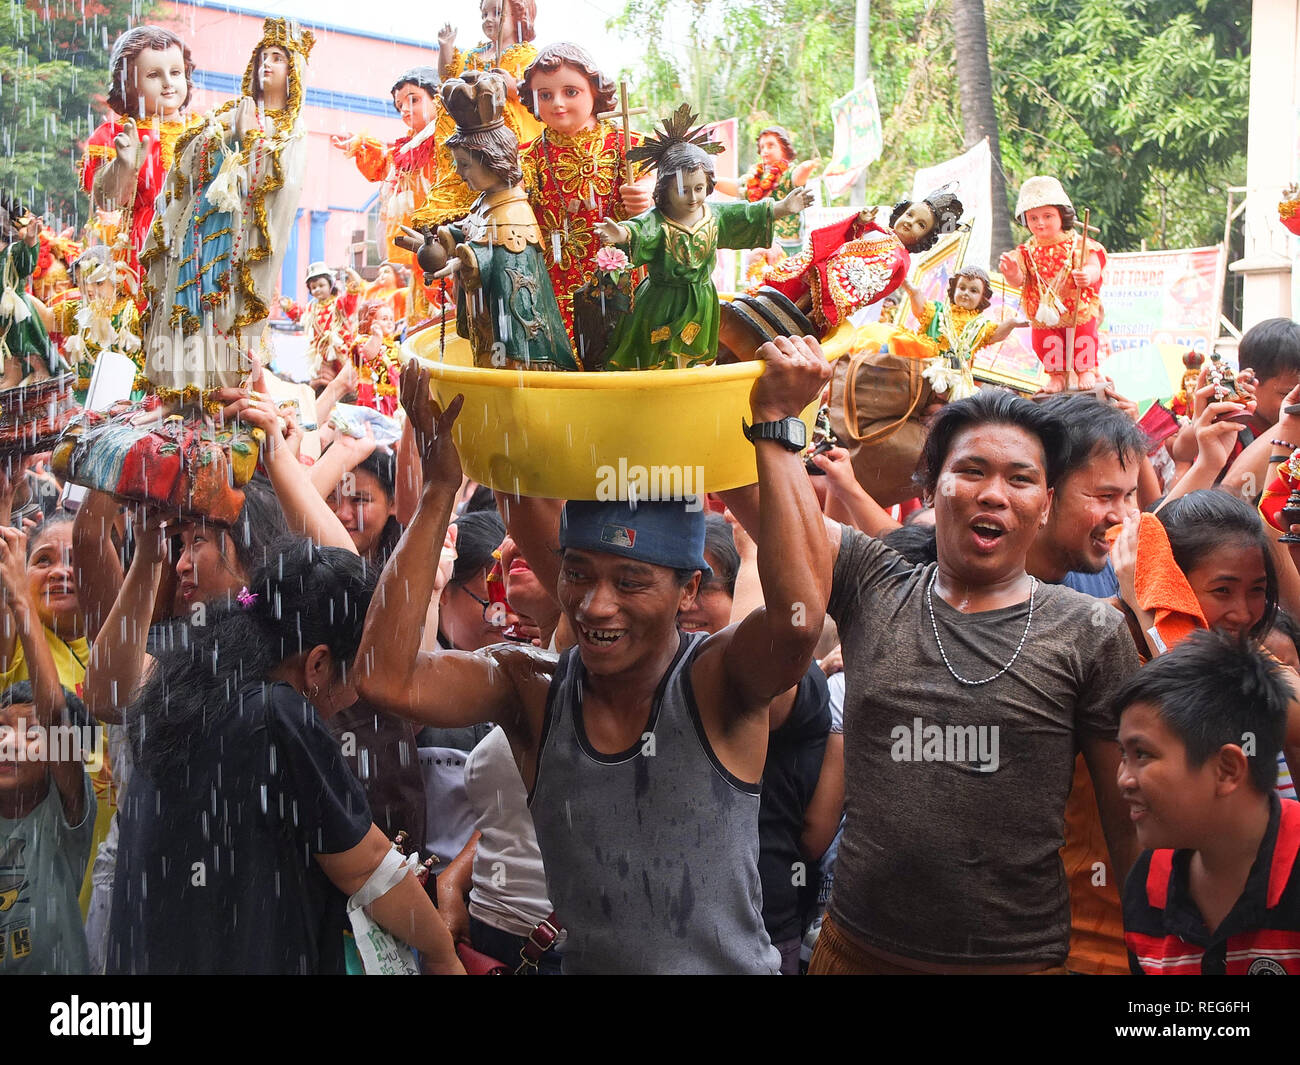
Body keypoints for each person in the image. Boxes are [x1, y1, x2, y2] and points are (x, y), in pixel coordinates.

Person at [357, 335, 832, 973]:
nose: (596, 605)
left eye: (631, 582)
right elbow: (384, 679)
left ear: (689, 589)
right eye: (578, 574)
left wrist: (776, 430)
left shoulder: (717, 679)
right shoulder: (531, 686)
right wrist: (441, 488)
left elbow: (797, 626)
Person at [785, 389, 1142, 973]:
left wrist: (1154, 955)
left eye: (1020, 478)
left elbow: (1125, 818)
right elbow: (774, 513)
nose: (994, 493)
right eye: (971, 471)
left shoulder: (1093, 632)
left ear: (1046, 503)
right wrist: (776, 416)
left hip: (1018, 963)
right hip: (854, 953)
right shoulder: (873, 584)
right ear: (931, 488)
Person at [105, 538, 462, 974]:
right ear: (318, 665)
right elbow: (367, 865)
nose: (362, 692)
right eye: (360, 671)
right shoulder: (278, 714)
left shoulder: (192, 685)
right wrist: (442, 953)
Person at [142, 19, 313, 398]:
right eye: (263, 56)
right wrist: (224, 135)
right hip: (200, 227)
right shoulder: (233, 110)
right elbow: (189, 163)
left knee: (221, 311)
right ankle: (175, 391)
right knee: (184, 303)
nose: (267, 64)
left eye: (277, 58)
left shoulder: (294, 133)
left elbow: (278, 191)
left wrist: (248, 137)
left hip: (240, 243)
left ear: (294, 71)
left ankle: (213, 393)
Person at [1117, 630, 1300, 974]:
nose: (1123, 779)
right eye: (1122, 755)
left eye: (1142, 754)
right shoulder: (1148, 882)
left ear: (1227, 769)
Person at [597, 118, 813, 370]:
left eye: (699, 188)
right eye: (683, 190)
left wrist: (783, 207)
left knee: (694, 352)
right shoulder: (658, 219)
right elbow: (639, 230)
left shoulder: (713, 215)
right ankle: (656, 385)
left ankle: (692, 383)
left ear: (708, 185)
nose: (692, 198)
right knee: (656, 351)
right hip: (662, 300)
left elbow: (747, 214)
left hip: (702, 298)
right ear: (665, 188)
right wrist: (622, 234)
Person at [404, 71, 576, 371]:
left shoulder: (514, 215)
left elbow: (508, 268)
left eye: (465, 165)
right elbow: (476, 234)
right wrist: (443, 241)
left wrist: (464, 260)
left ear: (491, 160)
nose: (459, 174)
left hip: (518, 350)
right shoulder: (486, 201)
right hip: (492, 332)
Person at [0, 519, 95, 974]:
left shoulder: (112, 651)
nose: (10, 742)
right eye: (43, 560)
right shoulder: (17, 642)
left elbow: (56, 720)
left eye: (77, 560)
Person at [517, 42, 653, 346]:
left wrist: (646, 192)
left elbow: (661, 179)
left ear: (595, 90)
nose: (557, 104)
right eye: (545, 95)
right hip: (554, 279)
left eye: (570, 92)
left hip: (621, 276)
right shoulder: (527, 157)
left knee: (624, 344)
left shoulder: (627, 144)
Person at [334, 65, 472, 323]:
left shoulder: (449, 133)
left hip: (449, 228)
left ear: (437, 97)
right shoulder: (407, 146)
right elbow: (384, 167)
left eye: (413, 100)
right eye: (399, 106)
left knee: (452, 299)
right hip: (421, 237)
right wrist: (361, 146)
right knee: (426, 305)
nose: (405, 110)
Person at [79, 25, 200, 278]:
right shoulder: (117, 134)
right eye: (154, 75)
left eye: (175, 72)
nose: (168, 83)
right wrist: (123, 167)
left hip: (200, 241)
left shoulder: (205, 129)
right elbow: (108, 200)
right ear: (128, 84)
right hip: (146, 244)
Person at [762, 188, 962, 337]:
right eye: (909, 214)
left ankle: (799, 324)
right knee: (802, 293)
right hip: (829, 270)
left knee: (815, 311)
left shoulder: (901, 258)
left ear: (924, 238)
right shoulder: (879, 231)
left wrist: (848, 277)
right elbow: (849, 238)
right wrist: (859, 222)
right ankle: (782, 310)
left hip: (848, 286)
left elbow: (879, 280)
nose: (910, 222)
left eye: (921, 225)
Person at [997, 175, 1105, 392]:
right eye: (1033, 218)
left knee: (1082, 335)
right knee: (1045, 341)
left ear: (1062, 215)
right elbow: (1019, 281)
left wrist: (1088, 275)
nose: (1040, 223)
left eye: (1048, 216)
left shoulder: (1079, 243)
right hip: (1042, 311)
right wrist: (1011, 272)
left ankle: (1085, 369)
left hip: (1076, 306)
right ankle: (1056, 375)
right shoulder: (1025, 251)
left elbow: (1095, 265)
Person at [901, 266, 1025, 401]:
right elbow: (921, 309)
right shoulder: (938, 311)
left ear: (982, 297)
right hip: (924, 371)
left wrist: (1012, 323)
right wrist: (913, 292)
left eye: (973, 290)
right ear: (954, 289)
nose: (966, 293)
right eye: (962, 288)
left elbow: (995, 334)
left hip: (955, 381)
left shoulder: (979, 324)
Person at [437, 0, 543, 146]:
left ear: (518, 17)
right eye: (484, 14)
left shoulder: (527, 56)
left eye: (497, 13)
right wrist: (445, 47)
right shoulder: (471, 55)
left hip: (502, 130)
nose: (488, 19)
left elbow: (536, 94)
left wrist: (513, 86)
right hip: (466, 128)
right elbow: (448, 78)